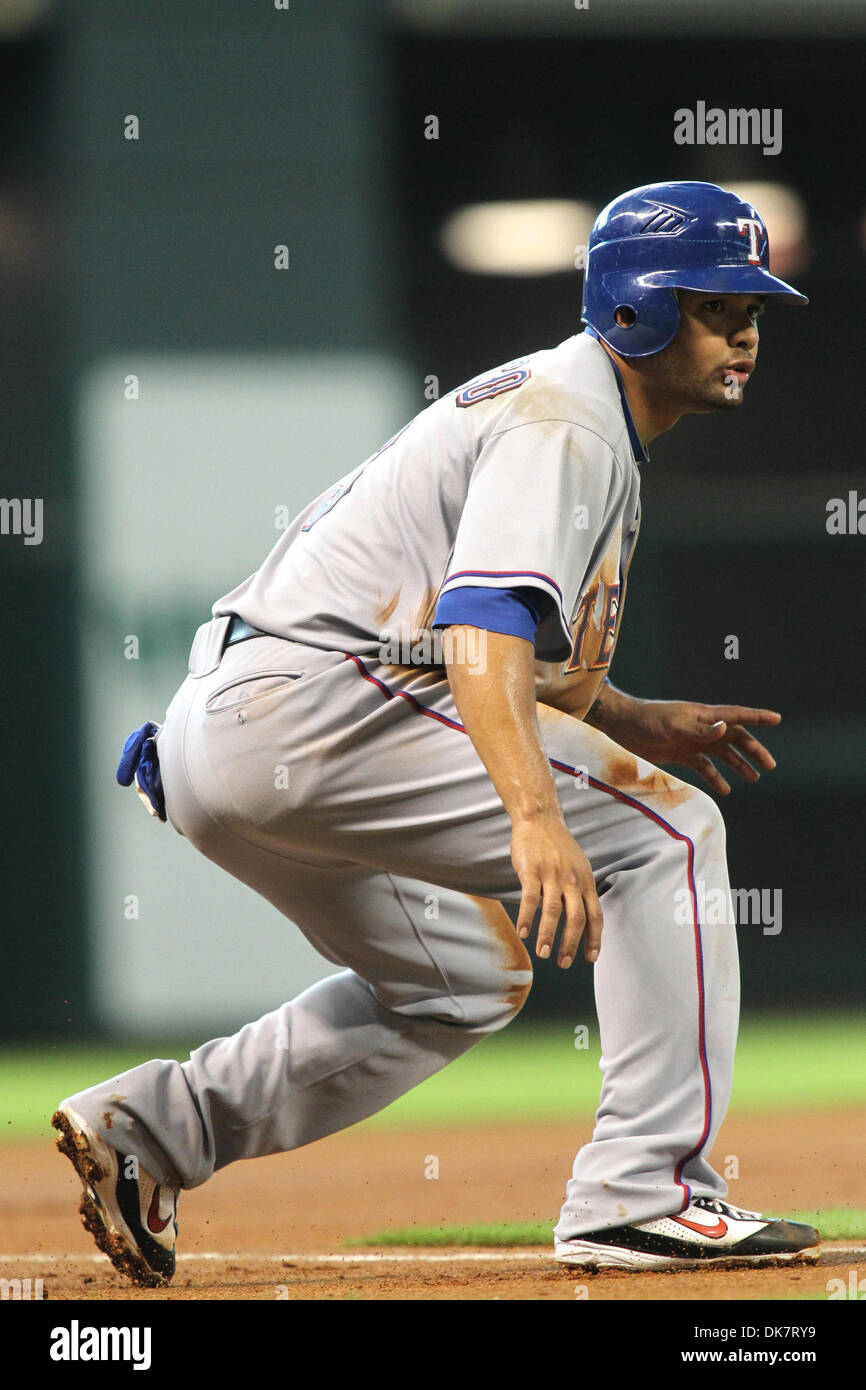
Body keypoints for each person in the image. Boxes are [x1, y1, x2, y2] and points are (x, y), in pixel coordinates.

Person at [53, 181, 819, 1285]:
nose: (744, 332)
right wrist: (533, 816)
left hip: (238, 736)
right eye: (714, 306)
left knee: (460, 975)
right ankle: (642, 1196)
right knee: (670, 834)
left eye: (752, 310)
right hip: (317, 710)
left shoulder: (571, 413)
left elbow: (469, 636)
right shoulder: (569, 419)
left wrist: (625, 715)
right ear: (635, 313)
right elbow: (477, 631)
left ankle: (157, 1127)